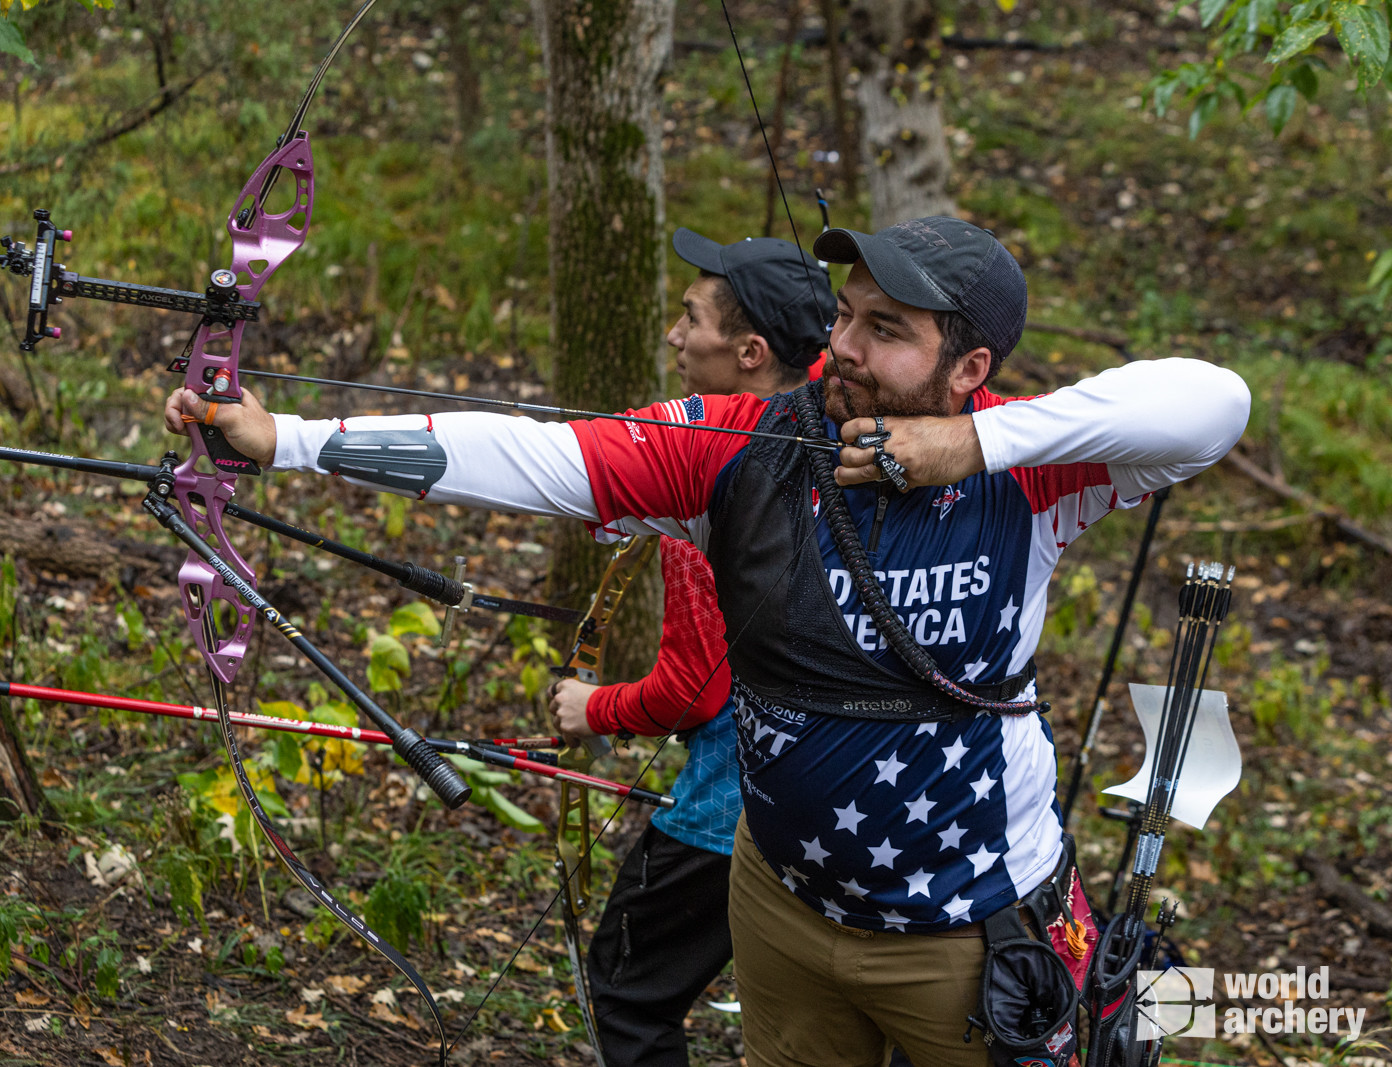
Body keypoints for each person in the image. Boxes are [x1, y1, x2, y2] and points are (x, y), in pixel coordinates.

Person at [164, 216, 1251, 1066]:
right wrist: (289, 440)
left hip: (965, 929)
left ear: (966, 368)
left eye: (886, 331)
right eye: (846, 315)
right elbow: (542, 459)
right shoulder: (743, 444)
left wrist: (974, 444)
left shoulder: (1033, 469)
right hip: (780, 905)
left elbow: (1214, 402)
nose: (843, 349)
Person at [546, 229, 836, 1067]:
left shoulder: (713, 465)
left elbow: (693, 691)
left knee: (628, 989)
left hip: (735, 809)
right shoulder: (842, 432)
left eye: (690, 319)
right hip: (853, 804)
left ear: (750, 352)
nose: (674, 337)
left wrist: (595, 706)